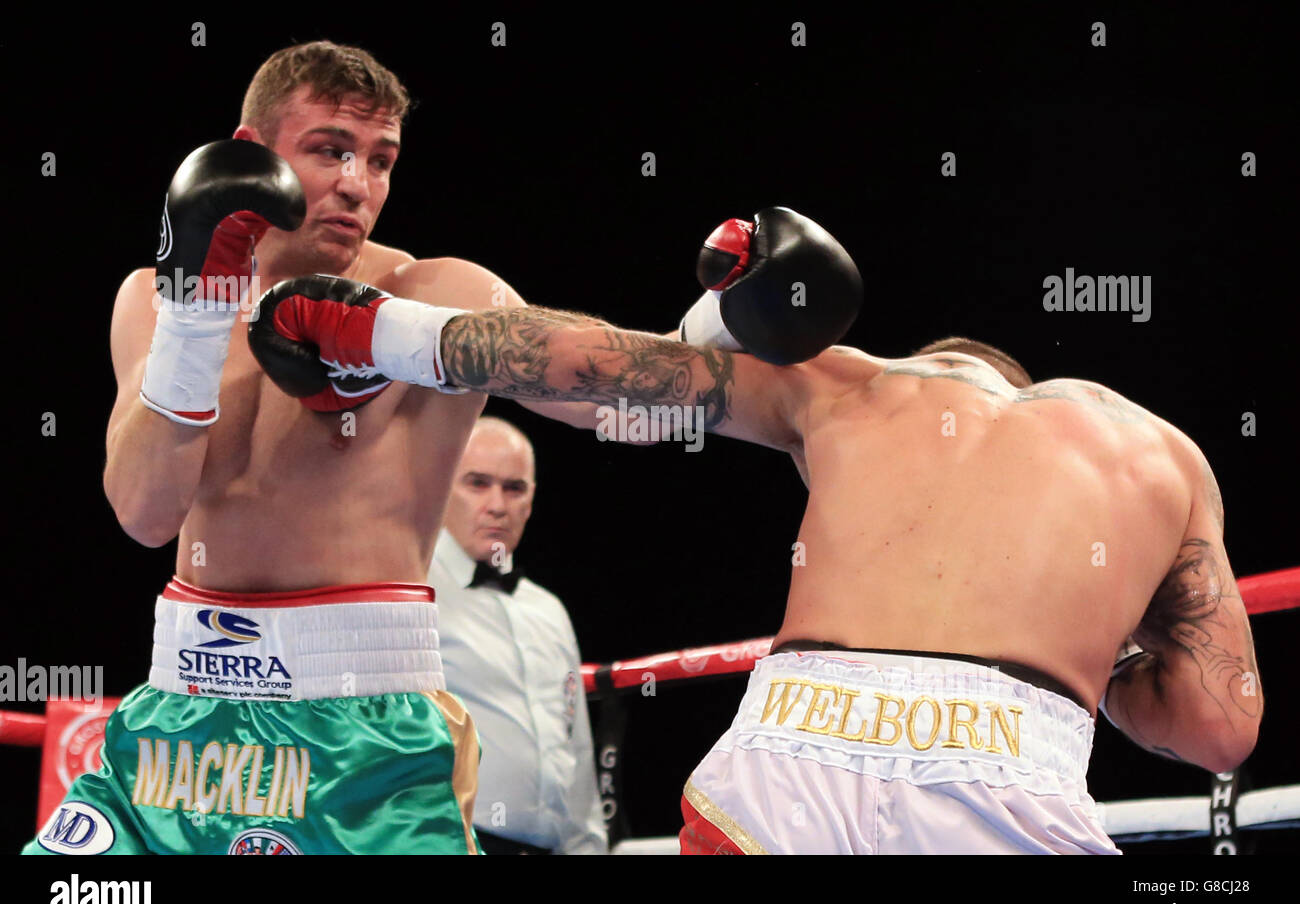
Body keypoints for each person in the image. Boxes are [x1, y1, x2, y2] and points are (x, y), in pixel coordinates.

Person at [247, 206, 1262, 854]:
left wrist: (371, 328)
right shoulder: (1159, 456)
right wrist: (1105, 655)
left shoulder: (854, 382)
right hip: (1013, 774)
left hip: (792, 768)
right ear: (1021, 384)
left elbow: (601, 372)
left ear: (932, 364)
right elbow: (1221, 724)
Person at [27, 40, 531, 855]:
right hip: (177, 735)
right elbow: (146, 515)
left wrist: (718, 336)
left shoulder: (436, 295)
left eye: (381, 159)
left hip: (362, 738)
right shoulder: (155, 300)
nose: (358, 185)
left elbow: (591, 385)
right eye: (332, 150)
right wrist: (197, 316)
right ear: (252, 155)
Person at [429, 417, 606, 854]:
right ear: (441, 485)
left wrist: (588, 846)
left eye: (514, 488)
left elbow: (577, 748)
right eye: (478, 483)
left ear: (531, 500)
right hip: (448, 842)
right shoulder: (413, 586)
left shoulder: (548, 610)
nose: (497, 505)